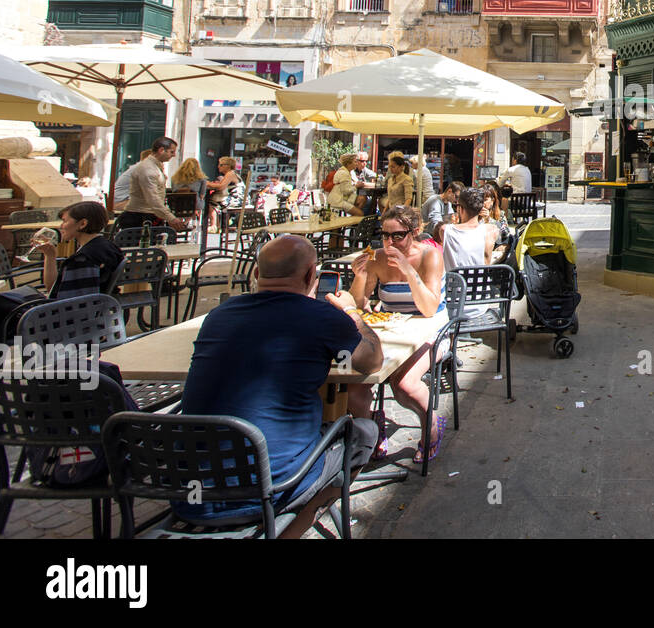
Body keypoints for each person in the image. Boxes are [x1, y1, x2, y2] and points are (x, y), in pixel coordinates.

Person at [179, 235, 384, 536]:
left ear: (258, 275)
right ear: (311, 275)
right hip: (272, 487)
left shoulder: (218, 315)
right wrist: (352, 311)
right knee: (365, 433)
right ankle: (291, 527)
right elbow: (372, 361)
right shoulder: (323, 317)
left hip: (184, 489)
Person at [348, 206, 449, 464]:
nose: (389, 242)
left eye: (397, 236)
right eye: (385, 235)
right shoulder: (378, 258)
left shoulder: (430, 256)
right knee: (352, 387)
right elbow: (357, 304)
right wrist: (360, 277)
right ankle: (372, 425)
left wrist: (409, 271)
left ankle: (431, 424)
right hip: (390, 332)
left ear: (414, 232)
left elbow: (428, 309)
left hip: (432, 330)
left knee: (404, 385)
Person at [32, 202, 124, 301]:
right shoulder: (109, 247)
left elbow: (57, 295)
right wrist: (50, 255)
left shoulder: (82, 259)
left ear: (82, 224)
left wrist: (50, 257)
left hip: (78, 312)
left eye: (64, 221)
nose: (61, 226)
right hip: (104, 306)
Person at [118, 138, 187, 233]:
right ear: (161, 150)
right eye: (172, 152)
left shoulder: (154, 167)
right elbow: (153, 198)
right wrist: (171, 218)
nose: (174, 155)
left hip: (147, 215)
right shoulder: (148, 169)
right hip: (139, 218)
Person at [438, 187, 499, 270]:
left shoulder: (445, 230)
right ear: (481, 208)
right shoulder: (492, 230)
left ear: (460, 209)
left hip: (455, 282)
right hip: (480, 282)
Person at [206, 156, 244, 233]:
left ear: (228, 166)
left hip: (238, 199)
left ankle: (214, 226)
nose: (218, 166)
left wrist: (206, 183)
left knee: (212, 202)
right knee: (213, 198)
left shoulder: (230, 173)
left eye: (221, 165)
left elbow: (221, 186)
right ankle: (217, 226)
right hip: (237, 198)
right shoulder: (231, 174)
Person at [171, 157, 209, 226]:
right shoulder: (202, 179)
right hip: (194, 204)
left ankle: (180, 222)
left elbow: (173, 190)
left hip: (177, 204)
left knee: (184, 204)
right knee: (197, 202)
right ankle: (186, 222)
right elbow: (202, 195)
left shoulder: (174, 178)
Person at [352, 152, 379, 216]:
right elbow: (358, 184)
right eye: (362, 161)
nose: (365, 163)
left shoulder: (364, 169)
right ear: (356, 161)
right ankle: (354, 218)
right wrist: (371, 184)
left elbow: (377, 176)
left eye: (366, 161)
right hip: (351, 194)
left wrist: (379, 178)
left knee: (373, 201)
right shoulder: (352, 170)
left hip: (361, 193)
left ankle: (369, 221)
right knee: (363, 198)